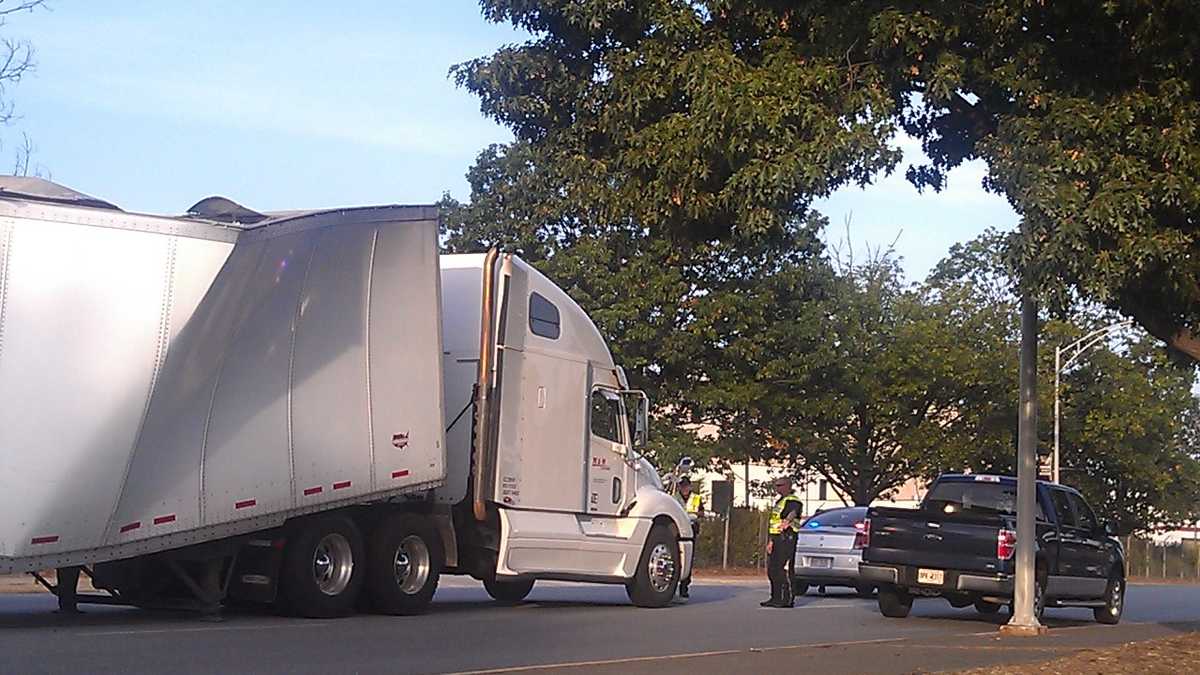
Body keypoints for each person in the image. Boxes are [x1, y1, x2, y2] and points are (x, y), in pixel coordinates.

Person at [762, 476, 802, 608]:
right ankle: (775, 597)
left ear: (788, 486)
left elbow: (793, 512)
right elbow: (774, 523)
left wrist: (787, 521)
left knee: (783, 569)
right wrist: (771, 541)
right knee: (773, 569)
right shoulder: (780, 501)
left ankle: (787, 599)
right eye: (776, 485)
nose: (777, 488)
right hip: (777, 538)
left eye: (780, 485)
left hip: (787, 537)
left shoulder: (792, 500)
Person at [675, 477, 704, 598]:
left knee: (688, 559)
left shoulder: (696, 498)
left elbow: (702, 513)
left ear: (690, 487)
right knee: (676, 558)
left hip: (691, 529)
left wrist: (694, 515)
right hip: (677, 530)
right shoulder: (674, 497)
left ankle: (684, 587)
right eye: (682, 486)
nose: (684, 489)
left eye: (686, 486)